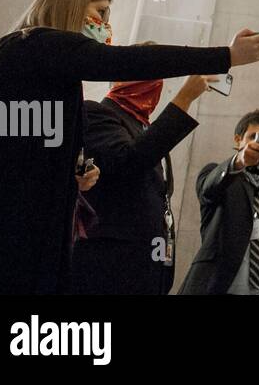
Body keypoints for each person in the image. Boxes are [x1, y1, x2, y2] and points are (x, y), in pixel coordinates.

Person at [0, 0, 259, 295]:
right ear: (69, 6)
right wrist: (227, 56)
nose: (106, 27)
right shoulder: (37, 44)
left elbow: (20, 143)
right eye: (100, 12)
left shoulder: (27, 60)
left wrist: (74, 172)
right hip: (7, 235)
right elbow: (131, 62)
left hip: (18, 229)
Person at [69, 57, 218, 295]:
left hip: (149, 266)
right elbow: (131, 161)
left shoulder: (144, 127)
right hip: (110, 269)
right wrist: (184, 99)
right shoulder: (97, 112)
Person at [180, 110, 259, 295]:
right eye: (253, 136)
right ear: (238, 140)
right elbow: (207, 191)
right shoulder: (219, 175)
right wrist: (238, 162)